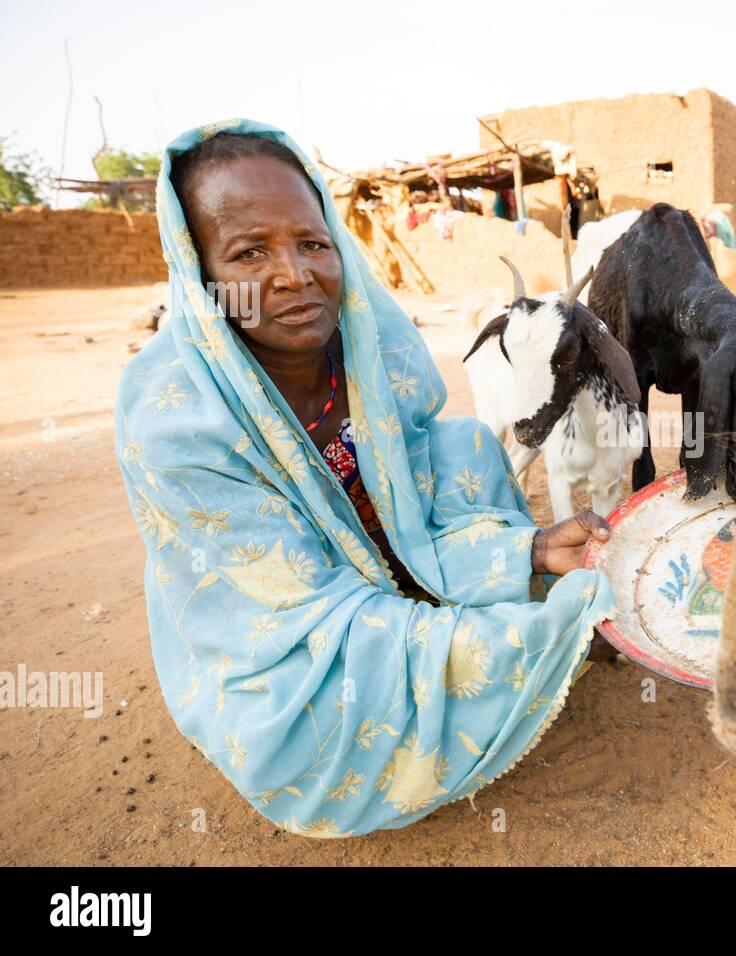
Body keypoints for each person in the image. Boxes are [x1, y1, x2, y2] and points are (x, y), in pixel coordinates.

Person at [115, 119, 617, 837]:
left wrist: (525, 553)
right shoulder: (175, 418)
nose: (295, 275)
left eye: (313, 243)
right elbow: (300, 614)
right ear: (199, 274)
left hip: (391, 564)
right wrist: (497, 644)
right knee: (310, 735)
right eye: (249, 252)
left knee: (468, 446)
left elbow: (423, 495)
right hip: (288, 633)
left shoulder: (369, 347)